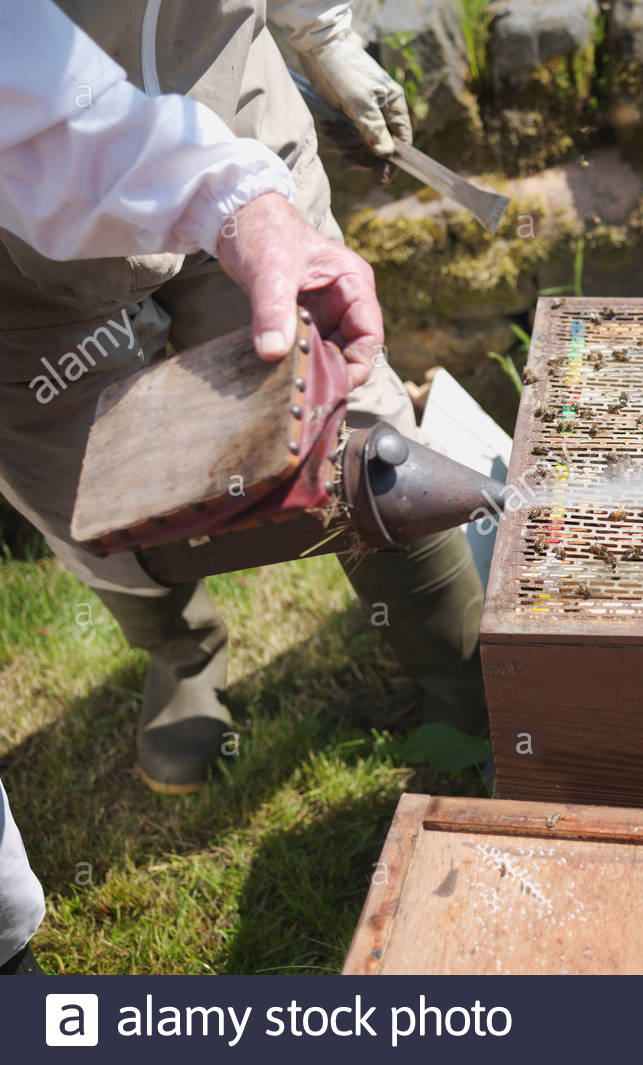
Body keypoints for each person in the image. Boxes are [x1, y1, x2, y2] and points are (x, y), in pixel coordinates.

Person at [0, 0, 488, 972]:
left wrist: (325, 33)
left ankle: (454, 673)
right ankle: (185, 651)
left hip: (231, 108)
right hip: (19, 228)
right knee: (83, 477)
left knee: (349, 413)